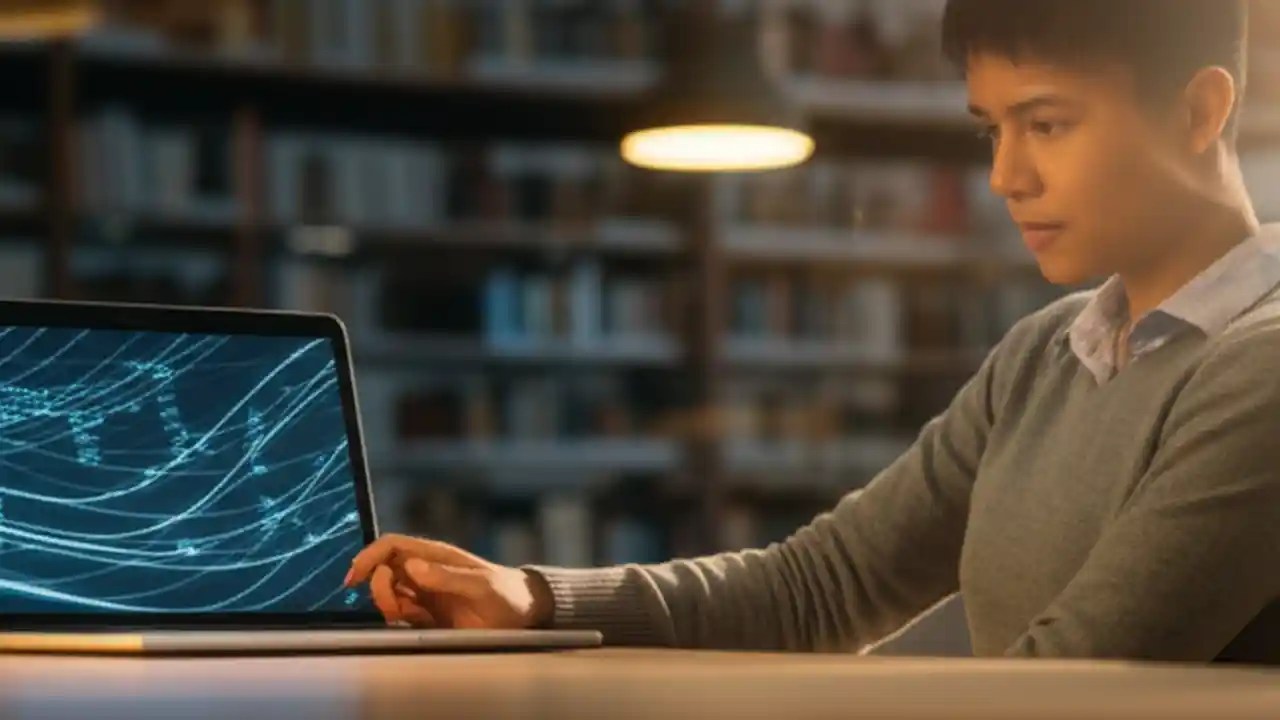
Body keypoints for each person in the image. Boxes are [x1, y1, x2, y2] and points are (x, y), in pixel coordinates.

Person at [345, 0, 1280, 663]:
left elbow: (1070, 684)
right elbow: (822, 587)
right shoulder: (1044, 354)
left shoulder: (1262, 365)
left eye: (1046, 124)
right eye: (991, 130)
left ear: (1199, 110)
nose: (1005, 177)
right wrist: (539, 600)